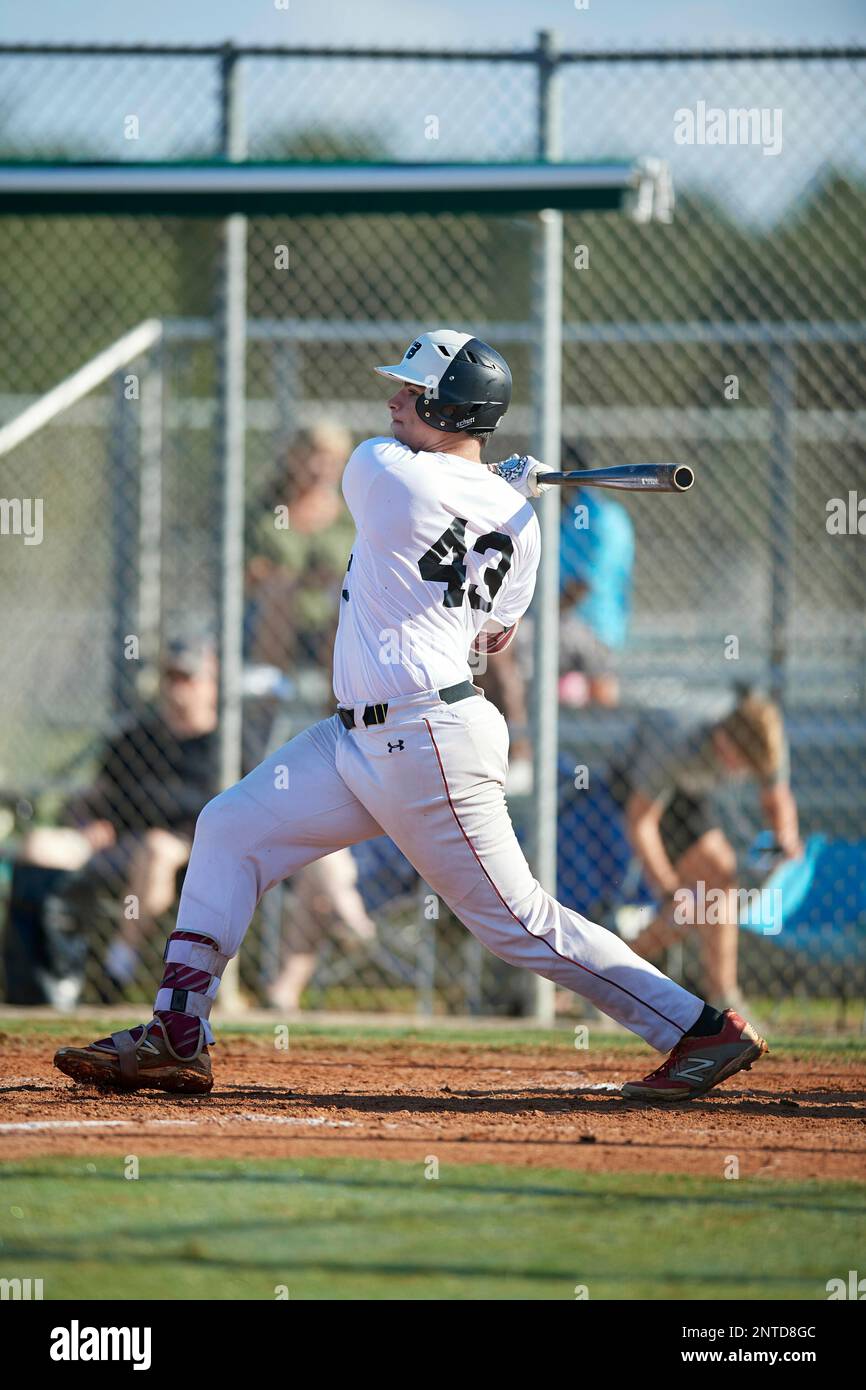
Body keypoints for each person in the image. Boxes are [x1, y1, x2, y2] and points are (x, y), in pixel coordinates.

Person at [54, 328, 768, 1103]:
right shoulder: (522, 528)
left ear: (453, 406)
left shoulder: (379, 468)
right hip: (358, 735)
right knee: (229, 827)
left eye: (412, 392)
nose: (395, 399)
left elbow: (437, 525)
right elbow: (494, 634)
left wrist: (490, 491)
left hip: (427, 737)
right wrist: (505, 499)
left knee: (516, 922)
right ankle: (178, 1032)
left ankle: (700, 1030)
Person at [244, 423, 378, 1008]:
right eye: (313, 454)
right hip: (275, 629)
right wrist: (295, 579)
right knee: (277, 594)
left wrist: (327, 584)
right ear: (294, 457)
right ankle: (267, 690)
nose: (322, 466)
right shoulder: (267, 510)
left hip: (333, 632)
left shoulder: (352, 508)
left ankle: (336, 706)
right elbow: (253, 575)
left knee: (332, 604)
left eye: (332, 456)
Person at [22, 638, 219, 993]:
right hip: (118, 842)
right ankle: (37, 979)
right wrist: (84, 824)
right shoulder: (135, 736)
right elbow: (90, 797)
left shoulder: (224, 743)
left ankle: (116, 969)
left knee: (155, 849)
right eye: (171, 676)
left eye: (187, 678)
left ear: (211, 683)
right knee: (39, 845)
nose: (177, 688)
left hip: (189, 847)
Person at [621, 692, 801, 1008]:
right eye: (739, 764)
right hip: (635, 791)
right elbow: (641, 821)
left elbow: (776, 798)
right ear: (724, 740)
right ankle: (605, 977)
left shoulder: (766, 738)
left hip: (687, 796)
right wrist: (668, 889)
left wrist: (785, 838)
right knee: (686, 906)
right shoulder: (678, 742)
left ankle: (723, 1002)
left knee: (714, 890)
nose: (740, 773)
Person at [558, 467, 635, 709]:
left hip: (593, 628)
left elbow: (583, 584)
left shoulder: (598, 516)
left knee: (512, 644)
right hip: (574, 625)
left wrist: (539, 615)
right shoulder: (574, 512)